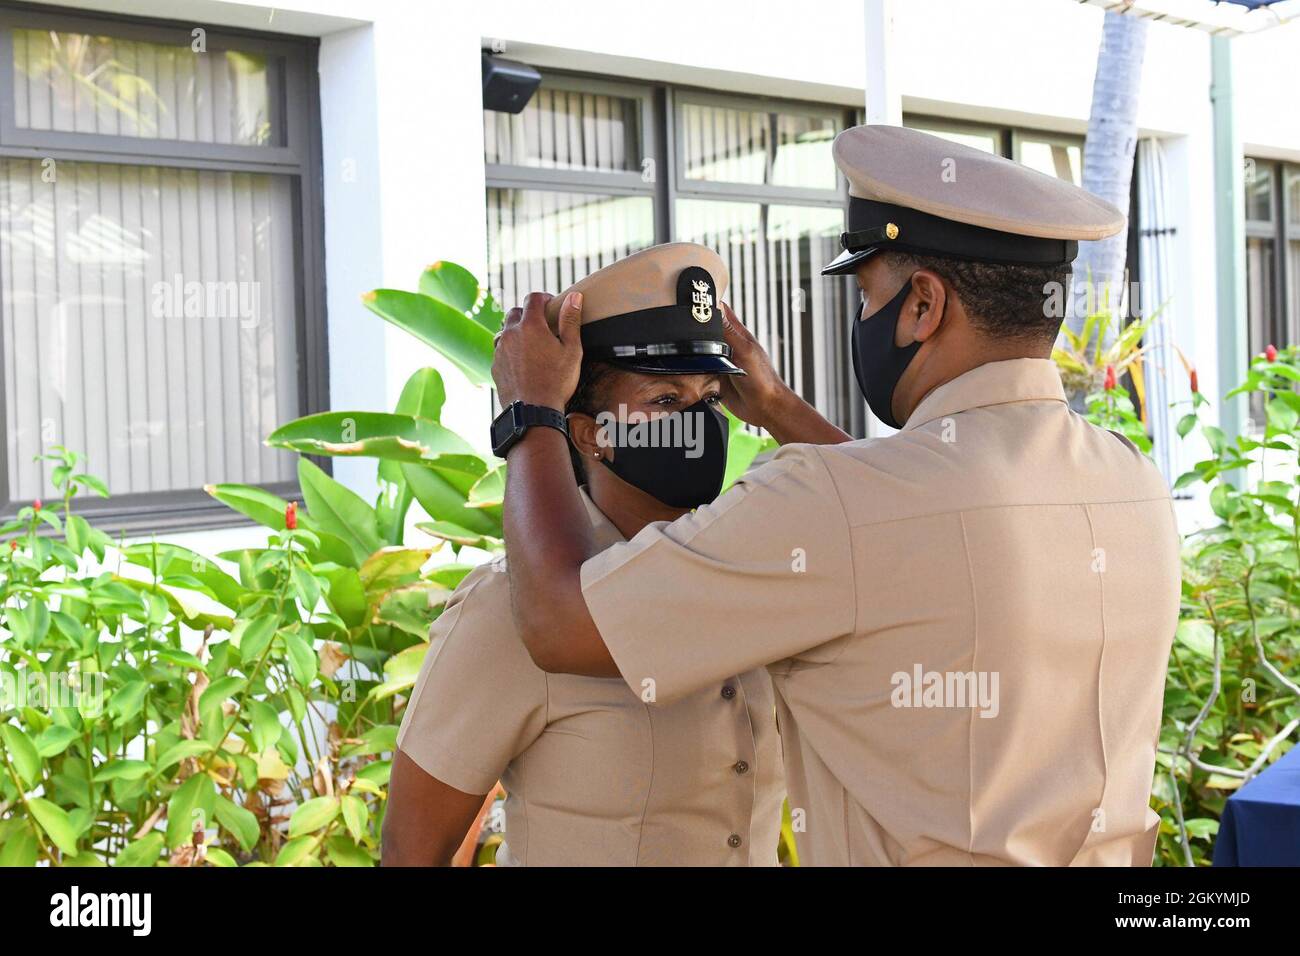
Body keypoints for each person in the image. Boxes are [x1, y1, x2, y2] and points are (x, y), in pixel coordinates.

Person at [489, 125, 1182, 866]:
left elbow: (560, 625)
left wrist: (531, 413)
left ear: (922, 305)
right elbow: (914, 527)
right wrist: (781, 408)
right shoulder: (1132, 483)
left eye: (866, 294)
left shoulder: (831, 503)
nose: (862, 318)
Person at [383, 243, 784, 866]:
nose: (699, 423)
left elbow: (895, 526)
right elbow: (414, 852)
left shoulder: (755, 567)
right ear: (591, 434)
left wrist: (778, 405)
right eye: (666, 401)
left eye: (709, 398)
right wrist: (529, 411)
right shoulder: (505, 610)